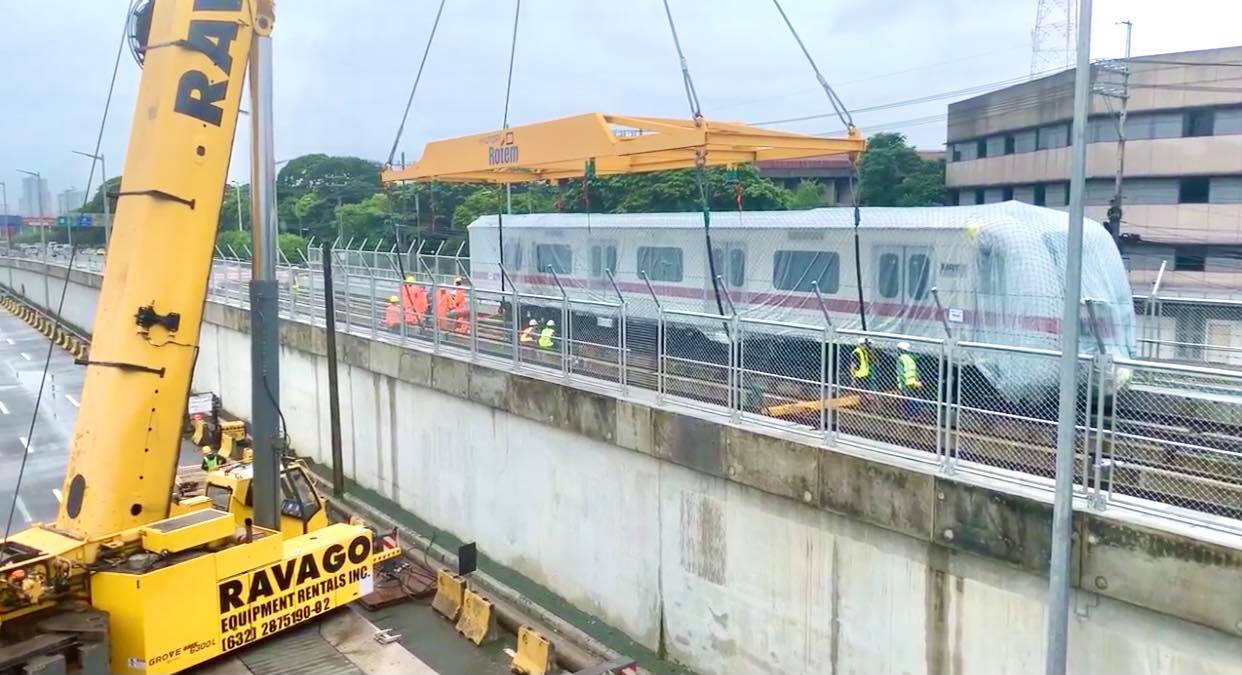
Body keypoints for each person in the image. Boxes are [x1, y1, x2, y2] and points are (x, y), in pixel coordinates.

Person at [896, 341, 922, 419]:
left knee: (906, 401)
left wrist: (902, 383)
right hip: (914, 382)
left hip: (906, 384)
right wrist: (917, 381)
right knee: (914, 400)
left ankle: (908, 416)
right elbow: (916, 371)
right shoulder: (911, 358)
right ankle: (916, 415)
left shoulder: (901, 359)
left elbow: (901, 373)